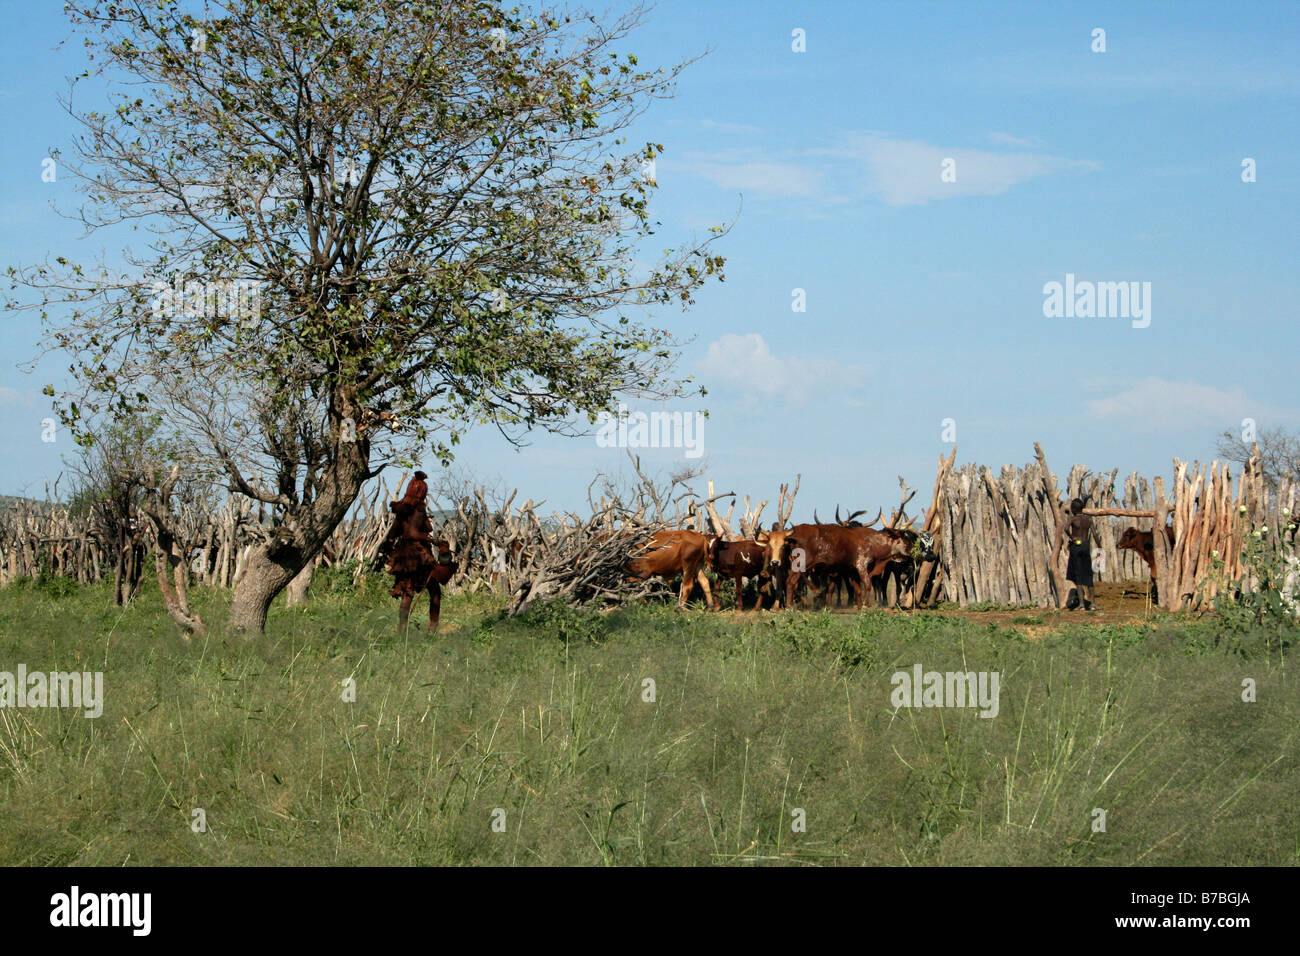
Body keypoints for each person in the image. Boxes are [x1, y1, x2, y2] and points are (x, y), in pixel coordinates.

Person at [1061, 498, 1098, 612]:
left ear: (1072, 509)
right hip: (1086, 546)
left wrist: (1072, 538)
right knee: (1088, 573)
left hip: (1076, 546)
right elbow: (1095, 534)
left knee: (1078, 575)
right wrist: (1100, 546)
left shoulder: (1073, 519)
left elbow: (1066, 528)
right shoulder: (1088, 520)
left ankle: (1082, 604)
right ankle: (1092, 604)